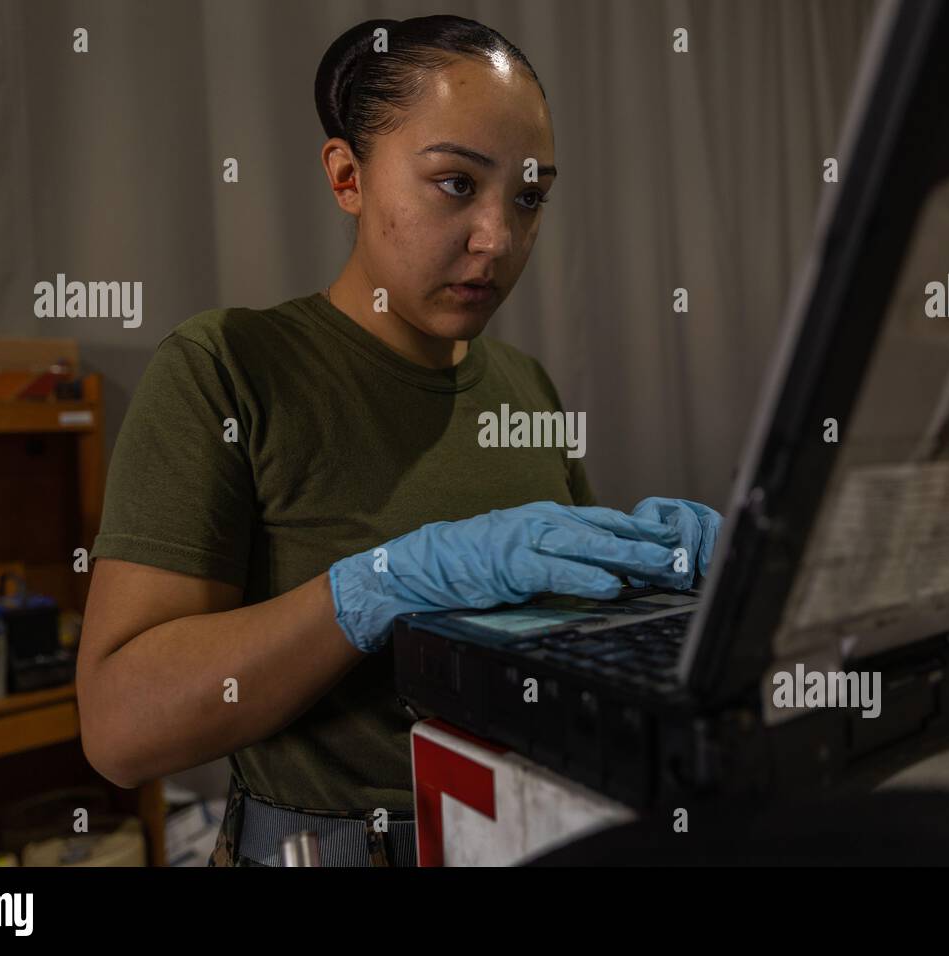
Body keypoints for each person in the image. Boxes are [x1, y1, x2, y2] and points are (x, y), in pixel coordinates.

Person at [78, 14, 721, 867]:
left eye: (529, 197)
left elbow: (567, 656)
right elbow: (120, 728)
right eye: (456, 183)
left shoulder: (523, 385)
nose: (498, 238)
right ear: (348, 177)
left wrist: (661, 584)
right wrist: (375, 588)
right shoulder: (229, 369)